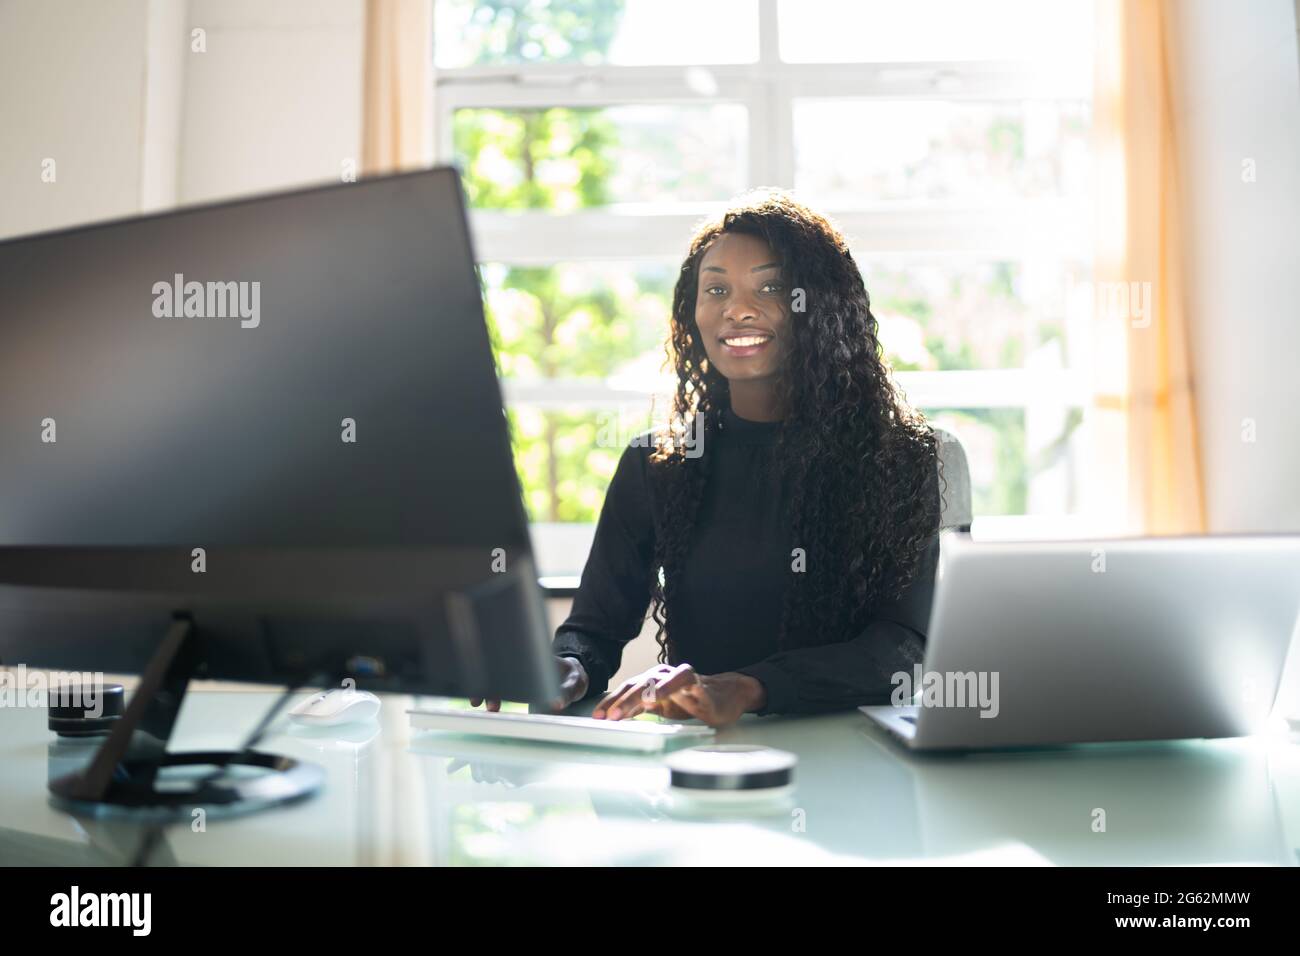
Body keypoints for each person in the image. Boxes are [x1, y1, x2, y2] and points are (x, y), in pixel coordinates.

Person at [472, 190, 944, 726]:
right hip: (702, 763)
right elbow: (595, 629)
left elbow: (904, 649)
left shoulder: (896, 458)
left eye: (770, 287)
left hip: (856, 758)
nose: (736, 309)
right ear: (691, 311)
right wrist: (564, 666)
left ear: (821, 305)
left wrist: (747, 687)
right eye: (715, 288)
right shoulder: (658, 463)